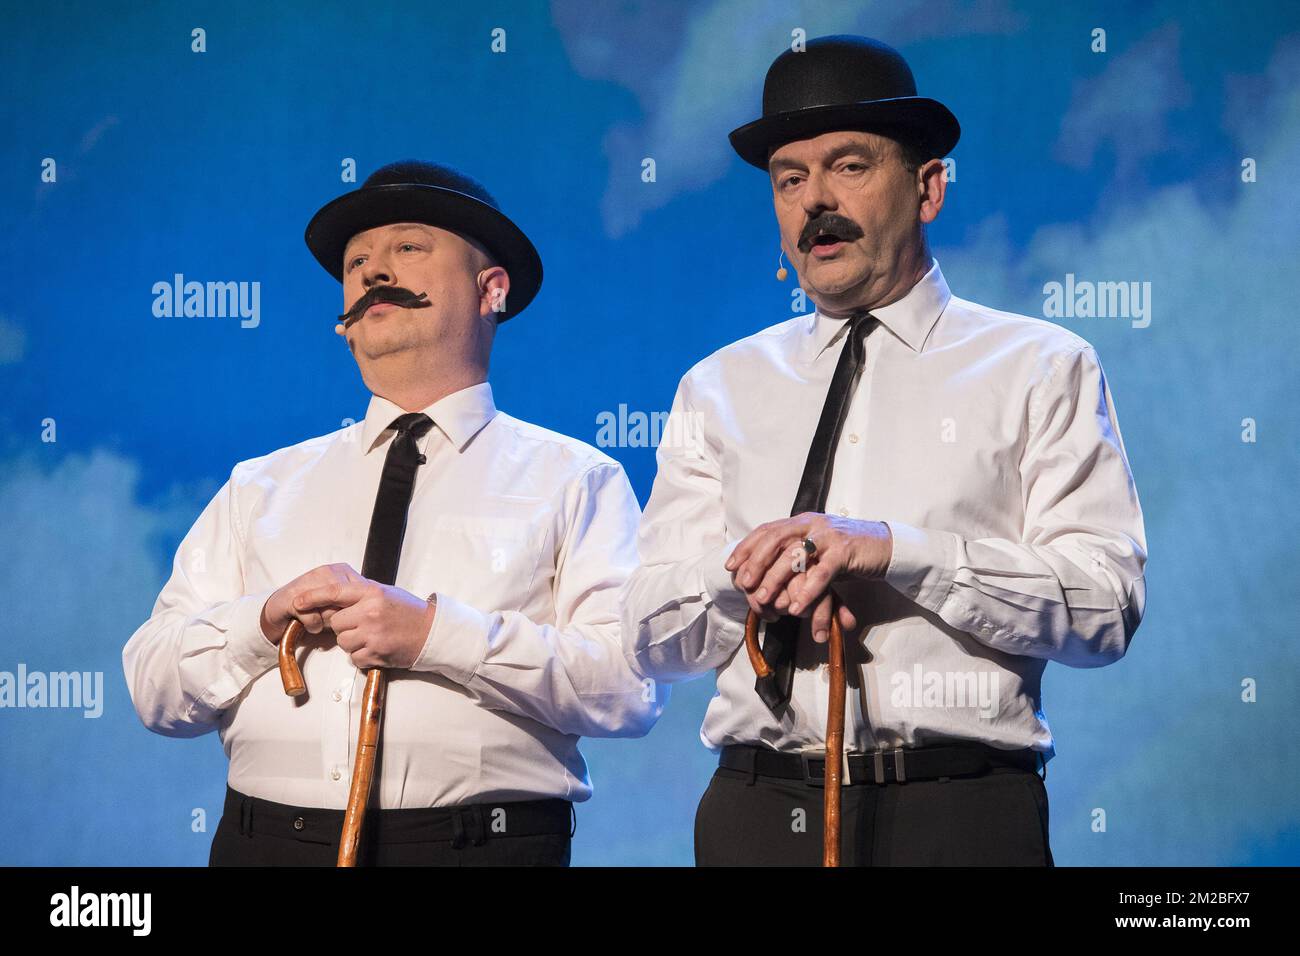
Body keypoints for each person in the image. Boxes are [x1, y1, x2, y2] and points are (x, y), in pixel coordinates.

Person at [621, 35, 1146, 866]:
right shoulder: (718, 384)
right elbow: (650, 636)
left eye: (850, 167)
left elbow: (1104, 609)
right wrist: (748, 576)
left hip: (961, 816)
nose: (814, 201)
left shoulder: (1040, 365)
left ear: (930, 187)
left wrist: (898, 554)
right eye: (789, 179)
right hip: (756, 813)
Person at [124, 159, 662, 866]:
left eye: (408, 248)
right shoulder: (261, 485)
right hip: (265, 845)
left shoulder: (578, 480)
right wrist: (262, 623)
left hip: (479, 849)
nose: (375, 271)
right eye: (357, 263)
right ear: (344, 326)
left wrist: (435, 633)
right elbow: (154, 686)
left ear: (490, 289)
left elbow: (627, 689)